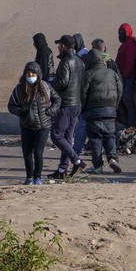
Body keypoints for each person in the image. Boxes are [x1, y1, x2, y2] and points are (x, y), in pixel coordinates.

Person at [7, 61, 61, 185]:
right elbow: (11, 106)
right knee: (27, 153)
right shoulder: (19, 89)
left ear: (38, 75)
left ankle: (37, 177)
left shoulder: (45, 87)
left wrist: (51, 111)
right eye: (28, 74)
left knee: (38, 152)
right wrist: (20, 111)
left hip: (43, 126)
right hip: (27, 126)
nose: (30, 76)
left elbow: (57, 99)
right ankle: (29, 177)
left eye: (33, 74)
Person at [48, 34, 86, 179]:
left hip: (66, 104)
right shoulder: (79, 61)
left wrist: (51, 83)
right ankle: (62, 170)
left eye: (59, 45)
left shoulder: (66, 61)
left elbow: (62, 82)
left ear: (63, 46)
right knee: (67, 138)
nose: (58, 47)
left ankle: (77, 161)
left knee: (56, 135)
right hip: (76, 103)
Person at [81, 49, 124, 174]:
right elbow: (120, 89)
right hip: (110, 110)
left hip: (93, 110)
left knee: (95, 138)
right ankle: (112, 158)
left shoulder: (89, 74)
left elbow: (83, 94)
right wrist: (115, 106)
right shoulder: (112, 73)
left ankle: (97, 165)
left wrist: (83, 109)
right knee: (109, 135)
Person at [115, 23, 136, 128]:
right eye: (119, 33)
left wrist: (125, 74)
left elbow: (130, 61)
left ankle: (131, 125)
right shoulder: (126, 43)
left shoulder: (131, 43)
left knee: (128, 102)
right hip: (123, 76)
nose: (120, 35)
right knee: (123, 102)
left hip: (127, 77)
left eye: (122, 33)